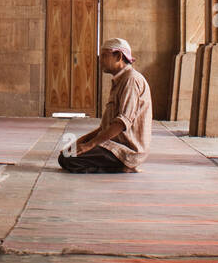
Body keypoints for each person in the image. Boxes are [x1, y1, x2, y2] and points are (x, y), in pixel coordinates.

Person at [58, 38, 152, 174]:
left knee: (67, 159)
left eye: (104, 56)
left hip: (126, 151)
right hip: (112, 145)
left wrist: (90, 145)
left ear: (119, 56)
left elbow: (121, 123)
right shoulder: (120, 80)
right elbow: (106, 127)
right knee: (68, 154)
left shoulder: (131, 80)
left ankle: (123, 167)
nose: (100, 60)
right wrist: (82, 141)